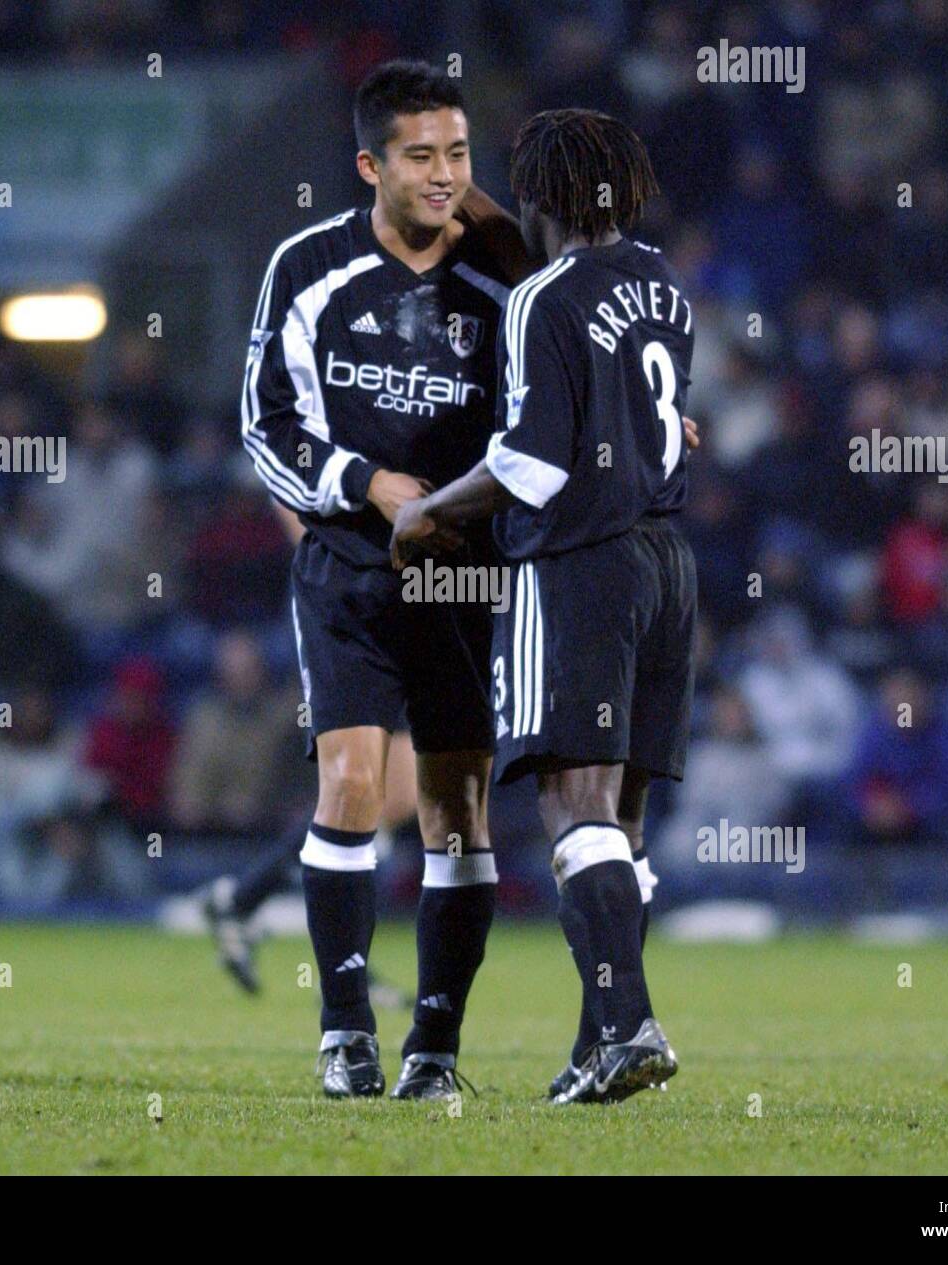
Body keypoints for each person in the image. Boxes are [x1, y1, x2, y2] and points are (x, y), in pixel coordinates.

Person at [392, 108, 697, 1105]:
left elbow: (529, 461)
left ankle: (627, 1023)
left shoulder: (541, 299)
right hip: (667, 563)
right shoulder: (663, 281)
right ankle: (597, 1045)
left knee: (573, 808)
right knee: (623, 823)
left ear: (542, 192)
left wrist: (427, 512)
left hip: (579, 564)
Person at [240, 60, 518, 1099]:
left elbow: (551, 410)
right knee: (351, 784)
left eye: (457, 153)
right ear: (370, 164)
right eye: (420, 155)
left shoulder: (502, 279)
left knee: (457, 808)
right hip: (349, 564)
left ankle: (435, 1045)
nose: (444, 174)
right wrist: (364, 483)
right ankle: (344, 1029)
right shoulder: (307, 265)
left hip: (464, 573)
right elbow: (263, 425)